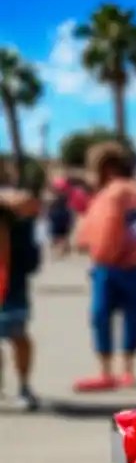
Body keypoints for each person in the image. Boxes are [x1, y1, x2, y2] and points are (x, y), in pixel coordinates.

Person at [74, 142, 136, 392]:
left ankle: (107, 371)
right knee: (130, 315)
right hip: (135, 264)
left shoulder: (113, 193)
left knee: (102, 315)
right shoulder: (132, 190)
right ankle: (128, 369)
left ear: (104, 168)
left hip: (111, 265)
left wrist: (100, 253)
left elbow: (106, 229)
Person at [0, 167, 42, 411]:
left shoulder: (17, 200)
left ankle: (24, 386)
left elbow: (30, 205)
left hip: (11, 280)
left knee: (17, 334)